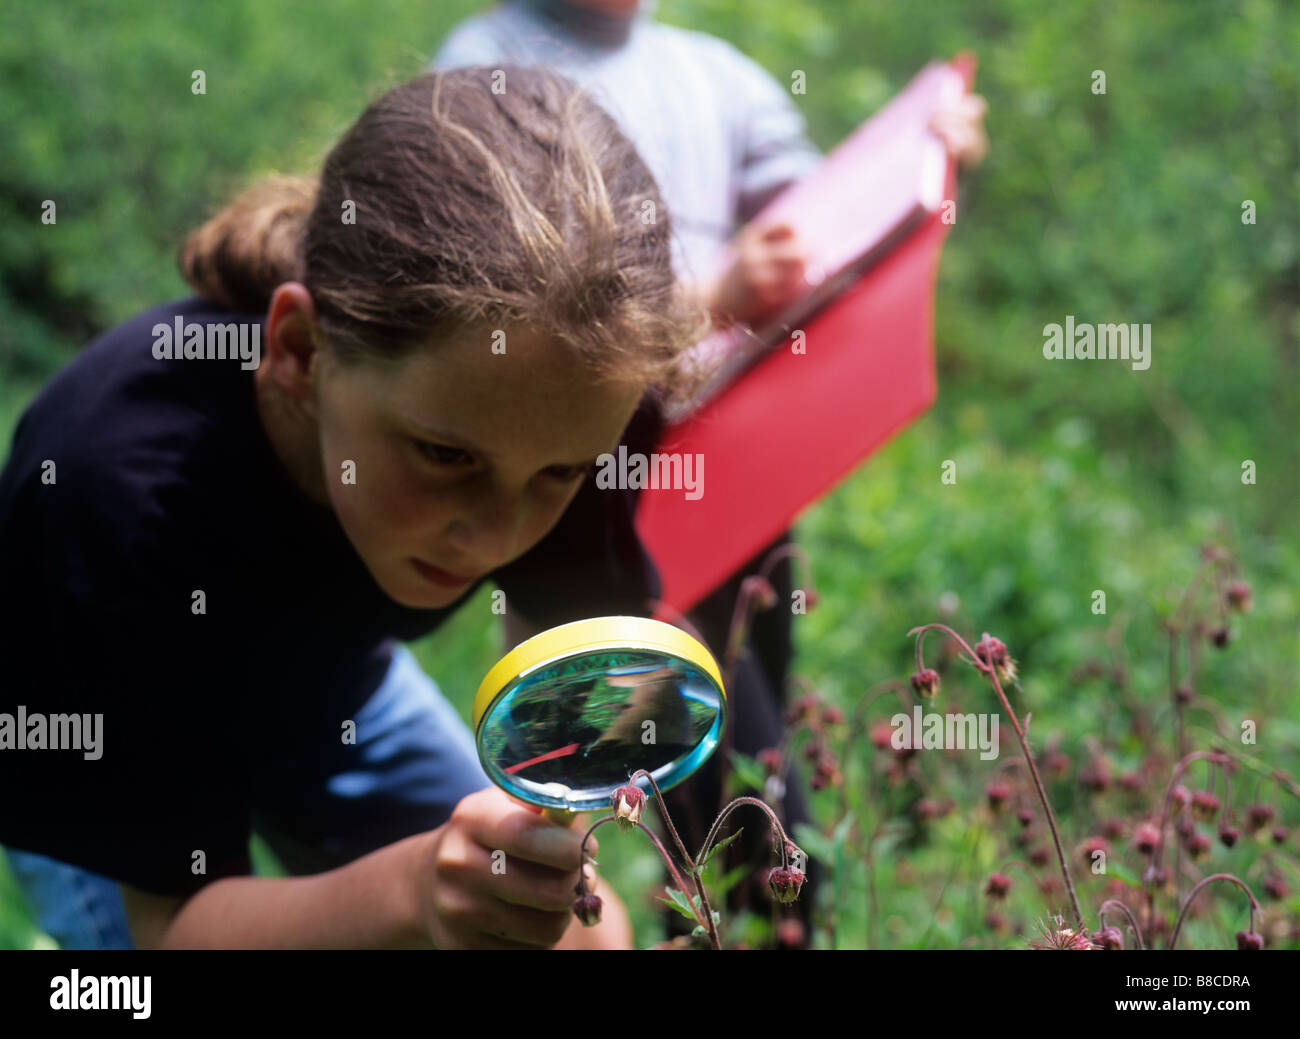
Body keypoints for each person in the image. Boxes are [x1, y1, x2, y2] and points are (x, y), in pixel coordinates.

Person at [0, 66, 713, 950]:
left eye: (561, 474)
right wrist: (417, 892)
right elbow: (172, 931)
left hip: (327, 686)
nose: (497, 533)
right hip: (109, 723)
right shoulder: (113, 493)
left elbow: (572, 678)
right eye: (445, 456)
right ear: (299, 352)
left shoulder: (581, 384)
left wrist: (553, 835)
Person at [431, 0, 987, 945]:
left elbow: (838, 224)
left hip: (739, 483)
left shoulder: (720, 76)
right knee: (702, 781)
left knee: (745, 749)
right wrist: (712, 291)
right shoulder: (485, 62)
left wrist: (929, 163)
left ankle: (717, 922)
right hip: (591, 501)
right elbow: (489, 296)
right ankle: (749, 919)